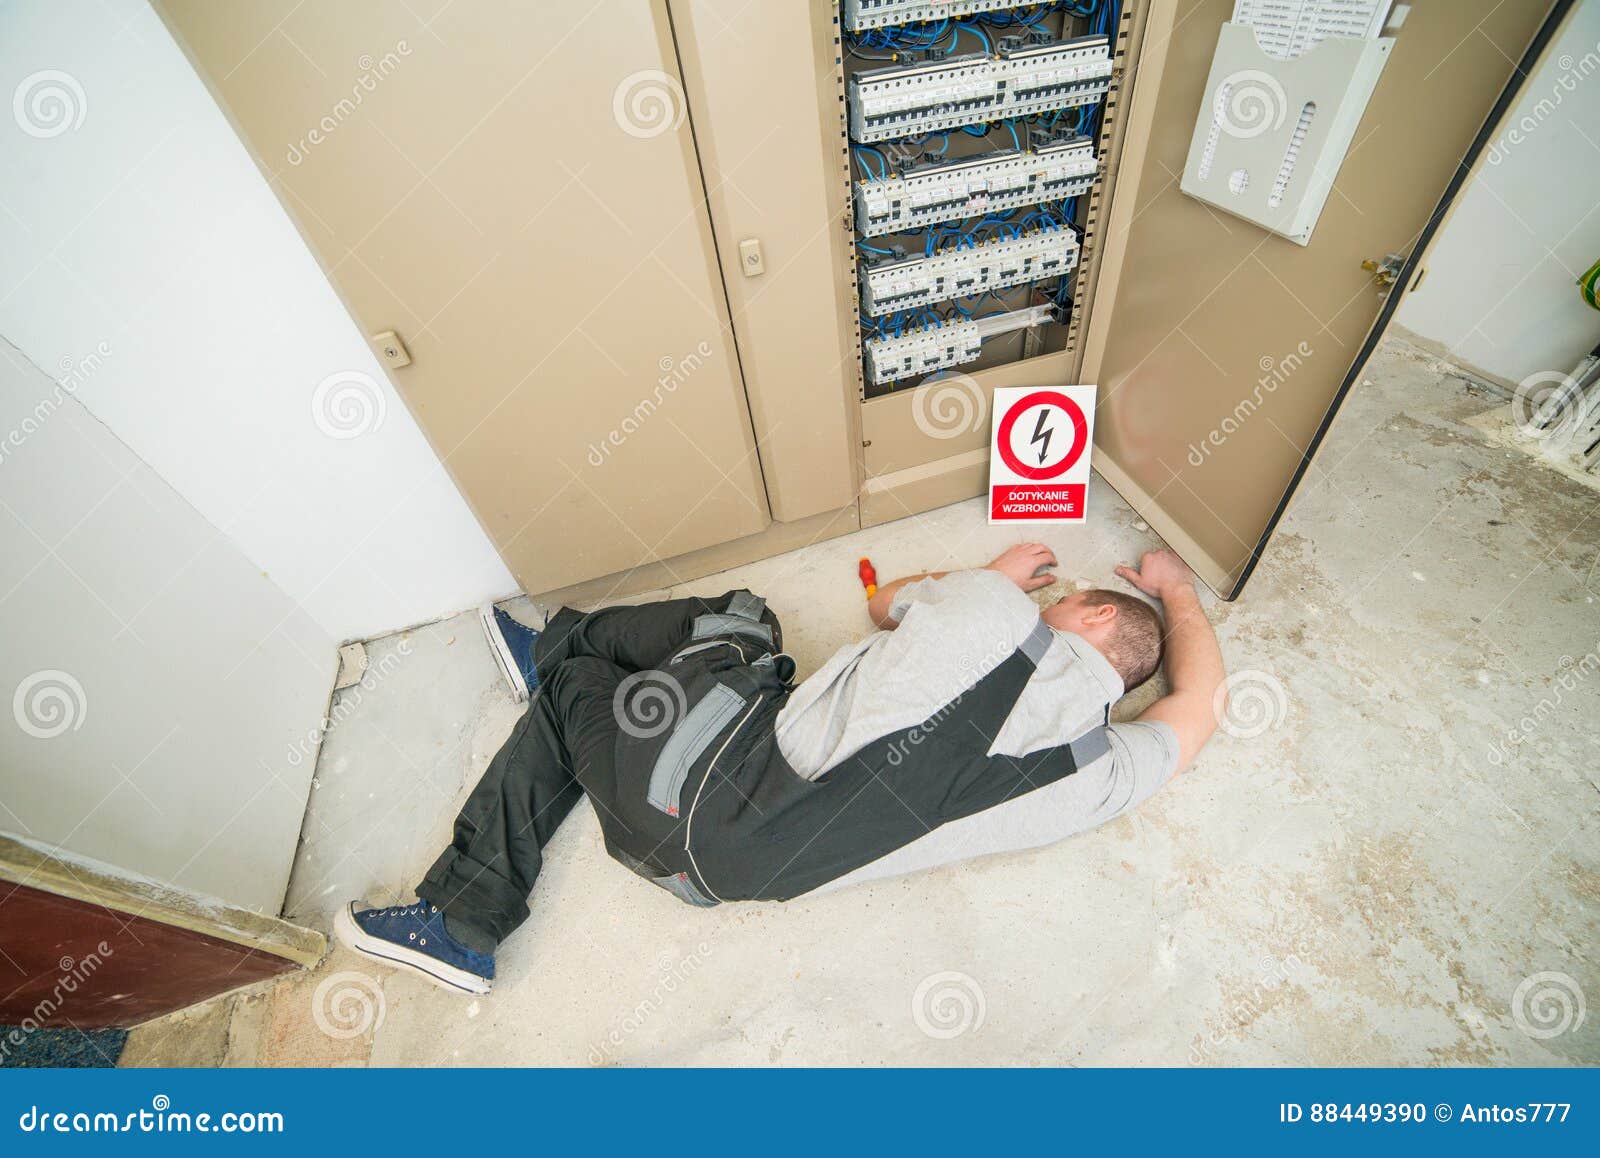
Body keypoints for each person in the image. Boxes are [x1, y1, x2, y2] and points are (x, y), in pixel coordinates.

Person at [334, 544, 1226, 995]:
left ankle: (553, 666)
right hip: (710, 879)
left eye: (1066, 597)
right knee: (603, 716)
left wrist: (992, 572)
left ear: (1090, 614)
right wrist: (1182, 594)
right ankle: (463, 919)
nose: (1052, 596)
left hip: (692, 777)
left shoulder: (996, 610)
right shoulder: (1099, 775)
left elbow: (884, 605)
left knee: (735, 623)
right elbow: (1203, 705)